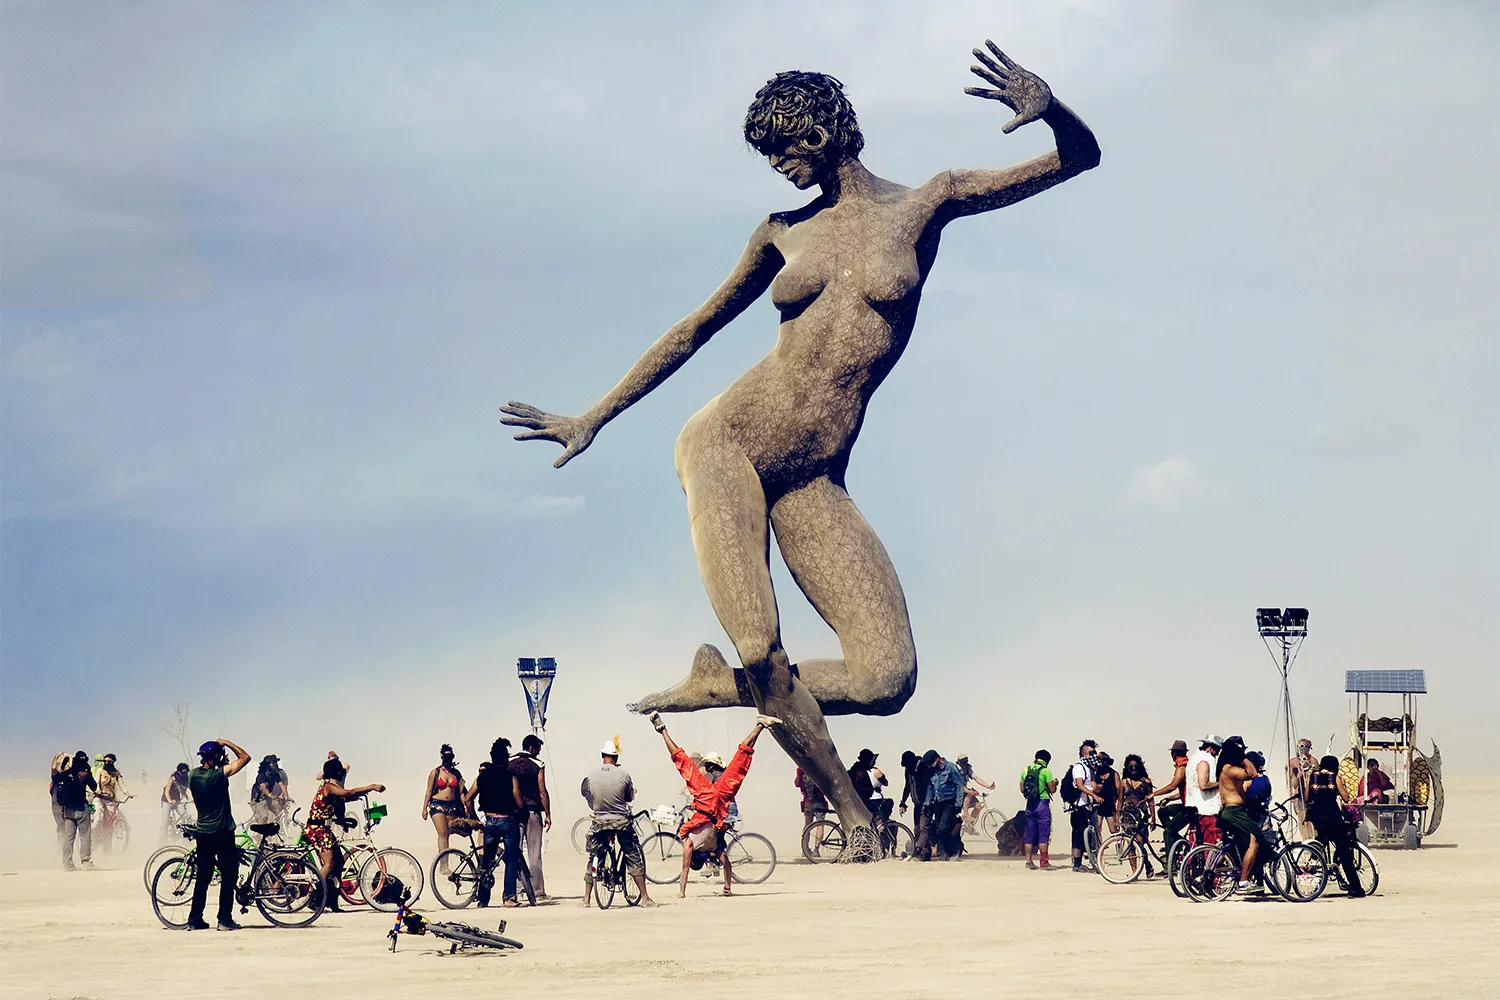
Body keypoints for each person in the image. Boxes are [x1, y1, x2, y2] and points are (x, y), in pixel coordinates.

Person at [505, 46, 1100, 821]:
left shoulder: (930, 200)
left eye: (788, 146)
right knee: (764, 643)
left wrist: (1049, 107)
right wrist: (593, 416)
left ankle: (726, 685)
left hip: (813, 476)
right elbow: (695, 329)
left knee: (888, 679)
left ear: (825, 131)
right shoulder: (781, 230)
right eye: (771, 154)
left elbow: (1079, 159)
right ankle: (851, 813)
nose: (781, 166)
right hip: (729, 445)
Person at [654, 712, 777, 895]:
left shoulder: (710, 847)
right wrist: (683, 891)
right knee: (685, 764)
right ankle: (662, 729)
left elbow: (692, 868)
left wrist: (684, 893)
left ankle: (760, 726)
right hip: (712, 799)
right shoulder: (700, 845)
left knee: (738, 764)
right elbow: (687, 869)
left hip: (712, 801)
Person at [579, 736, 654, 907]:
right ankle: (645, 898)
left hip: (598, 821)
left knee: (594, 855)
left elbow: (586, 793)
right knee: (632, 853)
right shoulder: (624, 774)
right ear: (616, 757)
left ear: (602, 755)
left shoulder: (591, 775)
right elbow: (629, 797)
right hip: (620, 821)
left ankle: (586, 899)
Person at [304, 756, 385, 912]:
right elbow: (349, 792)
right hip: (317, 829)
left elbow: (346, 797)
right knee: (329, 863)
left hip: (324, 830)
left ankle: (332, 899)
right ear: (337, 772)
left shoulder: (332, 787)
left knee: (339, 862)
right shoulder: (328, 786)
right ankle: (314, 896)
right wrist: (372, 786)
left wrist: (358, 796)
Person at [187, 738, 250, 930]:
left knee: (203, 877)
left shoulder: (193, 776)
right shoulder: (218, 775)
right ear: (215, 757)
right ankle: (224, 919)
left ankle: (194, 919)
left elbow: (212, 771)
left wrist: (219, 760)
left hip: (203, 833)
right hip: (222, 832)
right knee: (229, 875)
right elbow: (245, 757)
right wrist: (227, 742)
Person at [463, 738, 533, 908]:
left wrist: (474, 818)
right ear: (505, 759)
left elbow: (468, 798)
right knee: (511, 859)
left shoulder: (482, 777)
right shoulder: (510, 777)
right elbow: (519, 801)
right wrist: (523, 813)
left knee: (486, 860)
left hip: (489, 822)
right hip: (507, 821)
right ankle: (509, 897)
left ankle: (482, 899)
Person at [1306, 755, 1365, 897]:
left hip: (1317, 819)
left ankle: (1316, 872)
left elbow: (1307, 798)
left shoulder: (1312, 777)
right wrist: (1342, 785)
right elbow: (1346, 798)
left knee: (1320, 844)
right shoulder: (1335, 778)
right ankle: (1355, 888)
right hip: (1333, 819)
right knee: (1345, 852)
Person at [1215, 737, 1260, 893]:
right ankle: (1243, 882)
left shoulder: (1224, 769)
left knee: (1235, 847)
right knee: (1254, 842)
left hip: (1229, 811)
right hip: (1235, 811)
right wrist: (1244, 758)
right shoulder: (1231, 770)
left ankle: (1210, 875)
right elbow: (1252, 773)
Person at [509, 734, 551, 901]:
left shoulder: (509, 763)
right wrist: (548, 813)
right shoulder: (538, 764)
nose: (538, 753)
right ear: (532, 748)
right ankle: (537, 890)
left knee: (515, 851)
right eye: (538, 750)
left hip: (513, 813)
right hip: (532, 812)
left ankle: (518, 888)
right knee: (534, 853)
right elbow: (542, 791)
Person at [421, 744, 468, 859]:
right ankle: (443, 863)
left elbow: (461, 792)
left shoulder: (456, 774)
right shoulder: (435, 773)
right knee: (442, 833)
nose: (448, 759)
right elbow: (429, 791)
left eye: (450, 756)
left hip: (452, 806)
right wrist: (424, 808)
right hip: (437, 804)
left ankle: (444, 860)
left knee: (449, 832)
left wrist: (466, 807)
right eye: (446, 757)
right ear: (441, 757)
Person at [55, 751, 97, 870]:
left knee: (69, 837)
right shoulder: (85, 773)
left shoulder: (67, 773)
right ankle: (86, 861)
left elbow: (56, 777)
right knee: (85, 835)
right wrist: (89, 773)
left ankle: (67, 864)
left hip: (68, 810)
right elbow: (94, 787)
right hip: (81, 808)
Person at [1151, 740, 1191, 857]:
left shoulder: (1182, 768)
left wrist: (1154, 794)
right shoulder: (1186, 765)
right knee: (1162, 811)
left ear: (1173, 754)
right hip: (1186, 804)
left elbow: (1173, 786)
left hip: (1189, 808)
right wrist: (1169, 799)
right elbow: (1184, 792)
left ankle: (1170, 865)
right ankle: (1176, 840)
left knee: (1168, 833)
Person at [924, 752, 967, 861]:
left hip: (950, 802)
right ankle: (944, 854)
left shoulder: (951, 768)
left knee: (943, 828)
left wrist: (958, 804)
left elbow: (959, 786)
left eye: (931, 763)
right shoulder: (933, 771)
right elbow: (931, 788)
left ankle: (953, 849)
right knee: (939, 829)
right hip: (938, 803)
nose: (930, 765)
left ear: (937, 758)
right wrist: (927, 803)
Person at [1018, 749, 1058, 870]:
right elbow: (1052, 790)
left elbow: (1022, 789)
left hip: (1030, 805)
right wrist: (1055, 782)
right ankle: (1044, 862)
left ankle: (1028, 861)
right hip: (1042, 804)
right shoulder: (1046, 771)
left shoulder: (1025, 770)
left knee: (1029, 835)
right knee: (1043, 835)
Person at [1066, 740, 1102, 871]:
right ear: (1084, 754)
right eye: (1091, 752)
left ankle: (1091, 861)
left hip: (1089, 806)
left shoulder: (1090, 768)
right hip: (1079, 807)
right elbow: (1079, 785)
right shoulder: (1079, 767)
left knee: (1091, 834)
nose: (1094, 755)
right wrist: (1094, 795)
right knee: (1078, 835)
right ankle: (1076, 864)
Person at [1183, 734, 1223, 850]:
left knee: (1196, 846)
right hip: (1206, 810)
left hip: (1194, 808)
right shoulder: (1205, 760)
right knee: (1210, 849)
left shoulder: (1194, 759)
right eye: (1217, 750)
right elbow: (1203, 785)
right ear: (1211, 748)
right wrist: (1221, 783)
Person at [1118, 754, 1156, 875]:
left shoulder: (1146, 782)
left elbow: (1151, 800)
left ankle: (1147, 864)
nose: (1133, 769)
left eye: (1135, 766)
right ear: (1127, 768)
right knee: (1130, 845)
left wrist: (1153, 818)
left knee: (1140, 842)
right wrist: (1117, 817)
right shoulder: (1124, 782)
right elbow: (1120, 800)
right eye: (1131, 767)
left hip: (1142, 815)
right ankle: (1134, 872)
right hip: (1128, 815)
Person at [92, 753, 128, 852]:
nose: (107, 763)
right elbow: (95, 783)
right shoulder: (100, 771)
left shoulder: (116, 774)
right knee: (98, 819)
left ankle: (107, 847)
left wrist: (127, 793)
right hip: (99, 797)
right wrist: (98, 791)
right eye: (105, 761)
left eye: (109, 761)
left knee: (111, 823)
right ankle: (93, 840)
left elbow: (121, 784)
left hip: (110, 799)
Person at [956, 755, 996, 834]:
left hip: (964, 790)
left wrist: (988, 786)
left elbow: (976, 778)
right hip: (957, 791)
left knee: (978, 805)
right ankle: (965, 814)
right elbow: (958, 783)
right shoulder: (957, 769)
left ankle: (969, 826)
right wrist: (968, 791)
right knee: (971, 793)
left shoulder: (967, 768)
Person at [849, 749, 891, 822]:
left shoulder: (859, 768)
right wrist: (872, 789)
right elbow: (857, 787)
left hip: (861, 799)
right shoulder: (860, 770)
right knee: (888, 803)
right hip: (861, 800)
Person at [249, 754, 289, 826]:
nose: (274, 764)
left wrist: (286, 796)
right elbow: (263, 788)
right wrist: (270, 795)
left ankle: (277, 829)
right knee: (264, 816)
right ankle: (259, 834)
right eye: (272, 763)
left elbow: (281, 785)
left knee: (278, 810)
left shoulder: (276, 774)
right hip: (258, 799)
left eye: (275, 762)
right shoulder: (261, 775)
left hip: (268, 798)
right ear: (267, 765)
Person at [1288, 738, 1316, 839]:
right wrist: (1299, 774)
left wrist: (1309, 770)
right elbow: (1292, 782)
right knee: (1302, 819)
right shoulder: (1293, 762)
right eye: (1300, 746)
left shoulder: (1313, 761)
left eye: (1304, 746)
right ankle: (1305, 840)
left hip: (1311, 795)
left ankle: (1312, 840)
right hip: (1299, 795)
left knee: (1311, 819)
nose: (1301, 749)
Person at [1092, 751, 1120, 839]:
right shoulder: (1094, 774)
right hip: (1098, 805)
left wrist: (1118, 804)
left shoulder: (1114, 774)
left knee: (1113, 829)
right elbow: (1093, 788)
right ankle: (1099, 848)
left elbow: (1119, 790)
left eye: (1104, 761)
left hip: (1110, 805)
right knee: (1097, 828)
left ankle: (1118, 848)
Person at [161, 763, 192, 835]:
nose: (185, 774)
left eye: (186, 772)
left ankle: (186, 835)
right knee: (165, 821)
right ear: (179, 772)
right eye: (183, 772)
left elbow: (192, 789)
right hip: (167, 801)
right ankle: (162, 838)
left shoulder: (187, 780)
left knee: (186, 816)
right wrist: (170, 801)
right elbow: (167, 791)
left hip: (177, 801)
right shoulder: (173, 778)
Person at [49, 752, 72, 841]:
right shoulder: (56, 777)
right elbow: (53, 768)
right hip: (58, 804)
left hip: (67, 805)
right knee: (61, 825)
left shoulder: (70, 778)